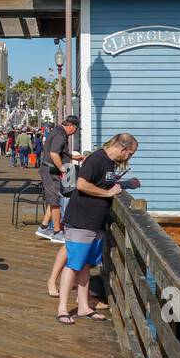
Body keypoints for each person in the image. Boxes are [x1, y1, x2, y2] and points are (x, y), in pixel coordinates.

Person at [56, 134, 139, 323]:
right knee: (74, 264)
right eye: (130, 154)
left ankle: (84, 307)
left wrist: (116, 187)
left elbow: (103, 182)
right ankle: (62, 308)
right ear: (123, 149)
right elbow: (81, 184)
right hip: (81, 221)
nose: (129, 158)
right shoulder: (97, 159)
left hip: (95, 222)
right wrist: (108, 193)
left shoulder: (110, 163)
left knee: (85, 265)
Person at [36, 116, 80, 243]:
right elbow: (54, 154)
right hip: (51, 171)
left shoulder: (56, 131)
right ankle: (57, 232)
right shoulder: (61, 135)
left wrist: (73, 157)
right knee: (56, 201)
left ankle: (43, 227)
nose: (74, 133)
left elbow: (58, 152)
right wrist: (62, 168)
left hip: (49, 170)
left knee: (53, 198)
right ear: (71, 126)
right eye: (75, 130)